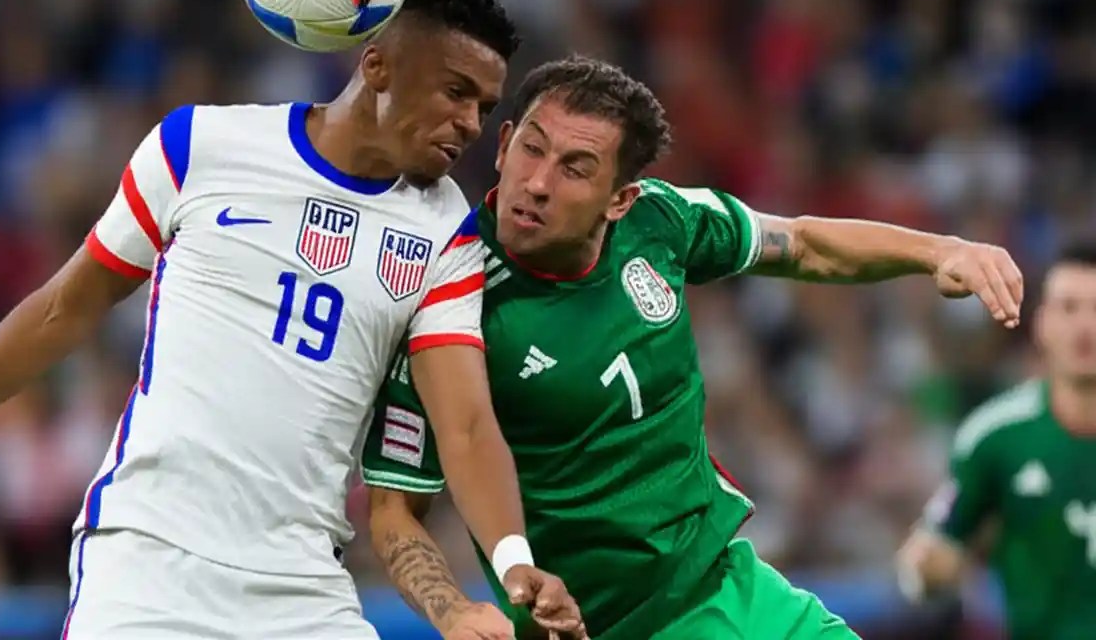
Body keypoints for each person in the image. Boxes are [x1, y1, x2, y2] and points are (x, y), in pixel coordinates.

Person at [0, 0, 582, 640]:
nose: (472, 124)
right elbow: (62, 310)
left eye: (484, 105)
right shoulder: (203, 146)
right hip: (147, 562)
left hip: (300, 587)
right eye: (456, 91)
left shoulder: (446, 228)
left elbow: (467, 423)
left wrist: (513, 566)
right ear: (377, 63)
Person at [361, 55, 1025, 640]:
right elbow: (394, 511)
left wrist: (940, 250)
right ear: (502, 145)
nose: (537, 182)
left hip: (732, 593)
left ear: (619, 198)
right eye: (532, 149)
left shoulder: (661, 220)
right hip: (591, 629)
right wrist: (451, 611)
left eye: (575, 168)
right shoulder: (446, 301)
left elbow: (801, 243)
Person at [897, 243, 1096, 640]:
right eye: (1070, 308)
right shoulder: (995, 439)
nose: (1085, 326)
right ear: (1041, 324)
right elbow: (928, 558)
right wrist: (930, 567)